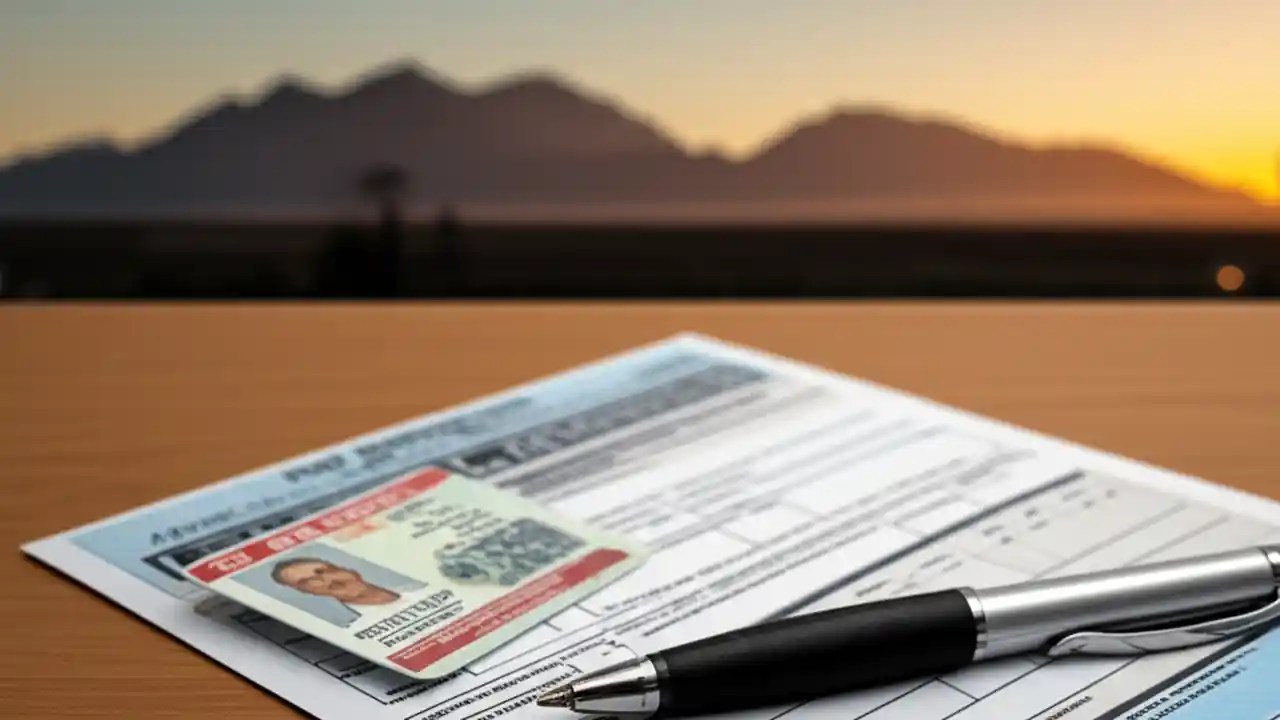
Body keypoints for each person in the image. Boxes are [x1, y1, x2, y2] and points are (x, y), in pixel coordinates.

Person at [270, 557, 401, 607]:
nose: (324, 579)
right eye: (308, 581)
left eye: (321, 571)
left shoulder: (413, 589)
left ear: (349, 570)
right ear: (305, 592)